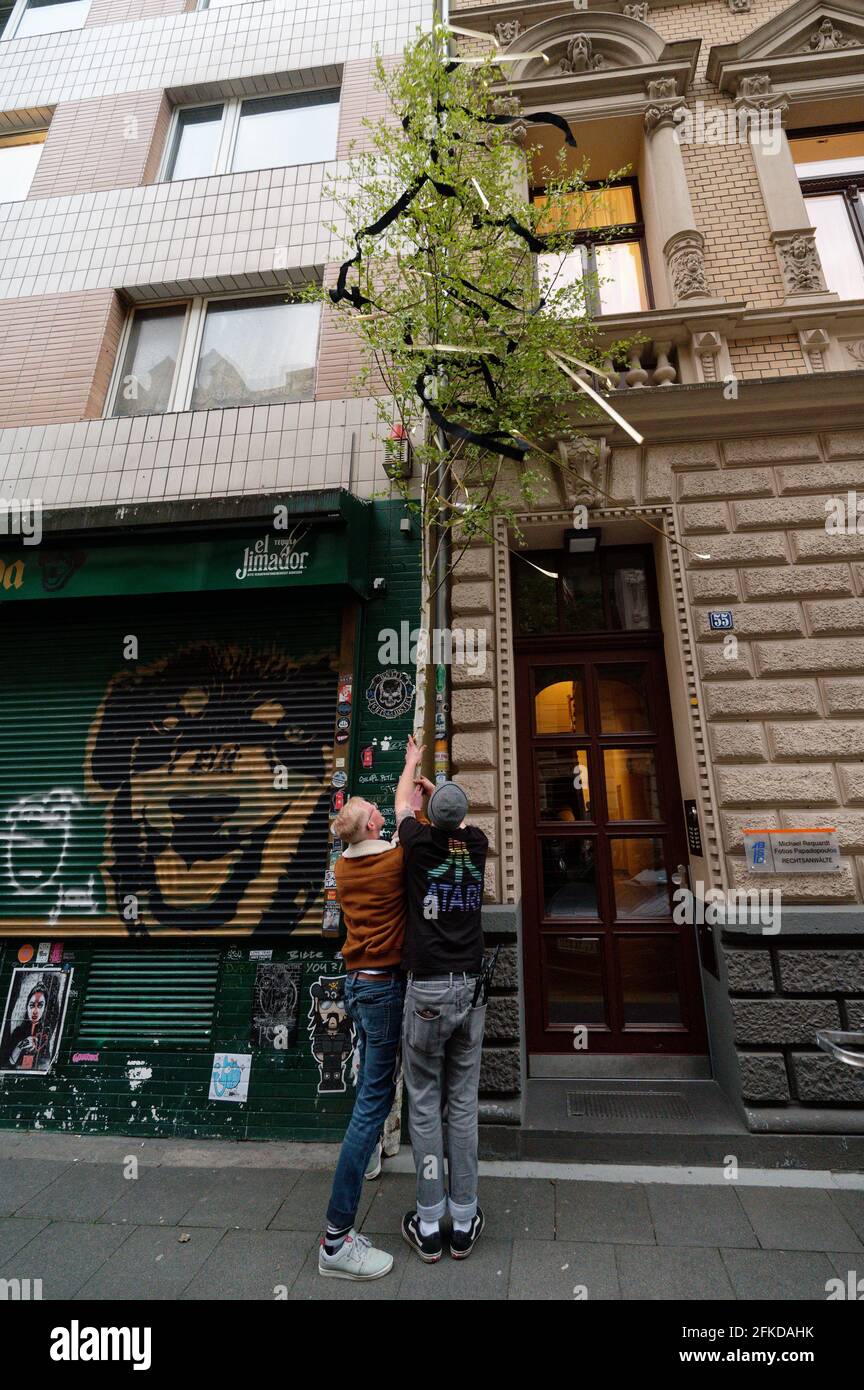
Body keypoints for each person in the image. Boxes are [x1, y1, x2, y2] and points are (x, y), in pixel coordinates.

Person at [395, 737, 489, 1263]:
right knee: (463, 1105)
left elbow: (401, 805)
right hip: (471, 989)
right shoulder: (475, 843)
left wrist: (413, 765)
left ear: (428, 816)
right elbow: (447, 817)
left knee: (425, 1105)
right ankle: (465, 1214)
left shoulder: (417, 844)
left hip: (428, 988)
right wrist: (439, 797)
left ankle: (429, 1224)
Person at [317, 790, 408, 1282]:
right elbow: (409, 816)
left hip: (356, 985)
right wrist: (414, 764)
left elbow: (393, 827)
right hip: (382, 988)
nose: (383, 812)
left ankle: (370, 1151)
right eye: (376, 813)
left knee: (370, 1088)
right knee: (371, 1104)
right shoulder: (392, 863)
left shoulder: (347, 866)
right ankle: (336, 1241)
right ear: (373, 829)